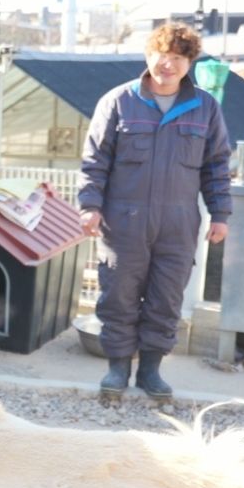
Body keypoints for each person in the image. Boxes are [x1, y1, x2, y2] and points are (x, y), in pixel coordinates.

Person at [77, 22, 232, 399]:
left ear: (190, 63)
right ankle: (117, 369)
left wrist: (220, 214)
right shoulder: (118, 101)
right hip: (123, 220)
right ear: (149, 56)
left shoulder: (205, 108)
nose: (169, 64)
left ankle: (151, 371)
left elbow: (216, 165)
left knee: (167, 298)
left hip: (178, 223)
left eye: (178, 58)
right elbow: (95, 160)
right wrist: (90, 206)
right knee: (118, 294)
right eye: (163, 55)